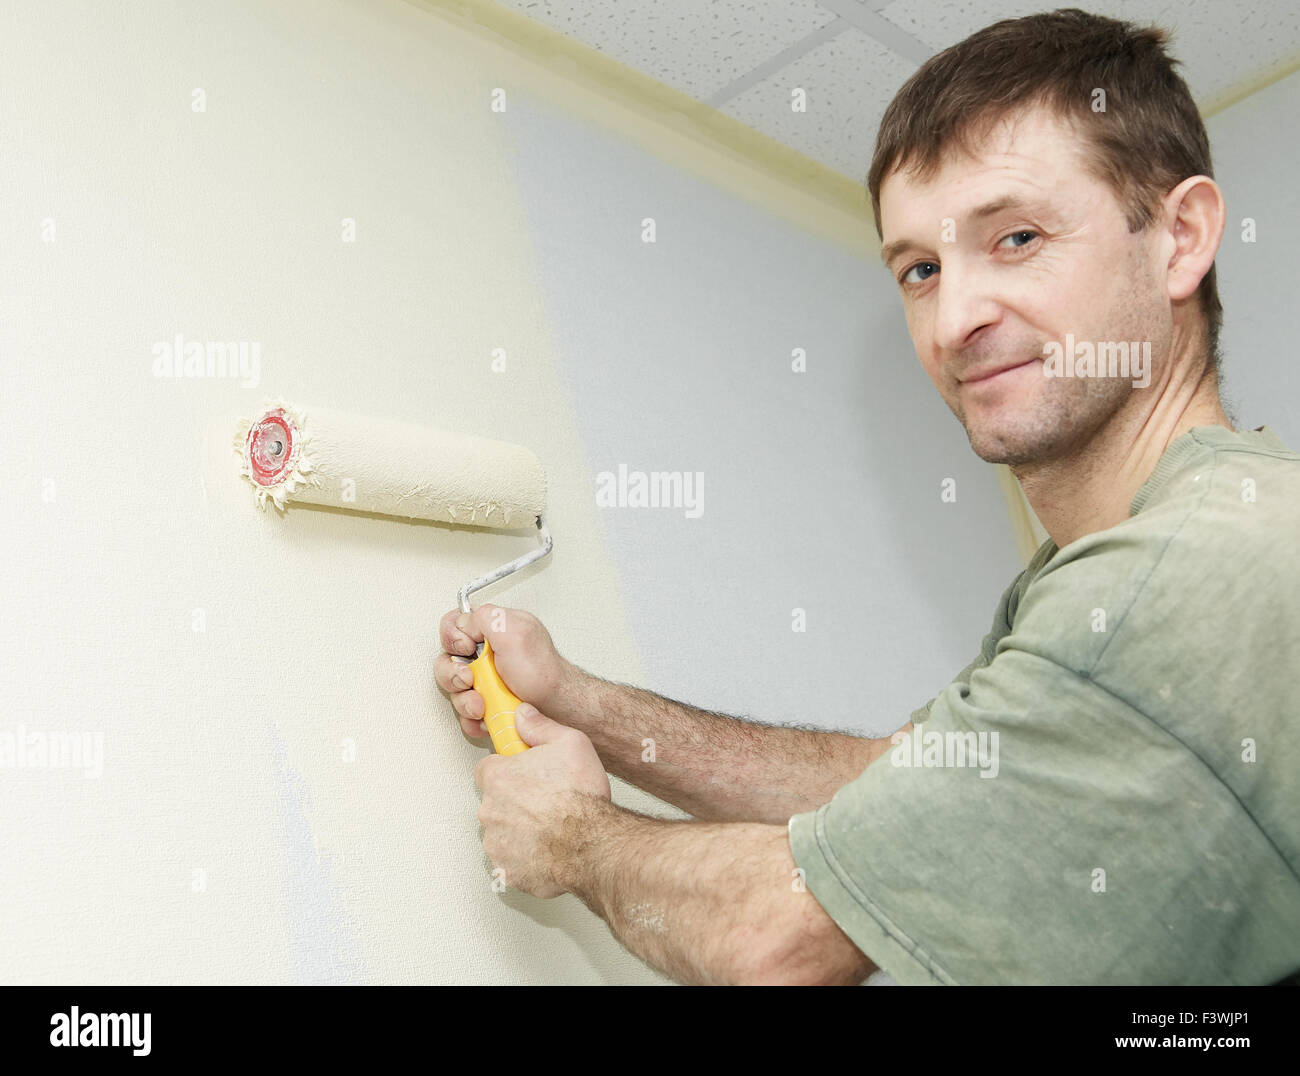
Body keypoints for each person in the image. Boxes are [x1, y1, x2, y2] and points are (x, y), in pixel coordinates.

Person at [434, 8, 1300, 985]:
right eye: (920, 269)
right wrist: (579, 700)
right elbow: (900, 788)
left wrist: (575, 839)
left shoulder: (1190, 568)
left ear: (1179, 237)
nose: (957, 316)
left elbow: (784, 938)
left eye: (1016, 236)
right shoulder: (1109, 568)